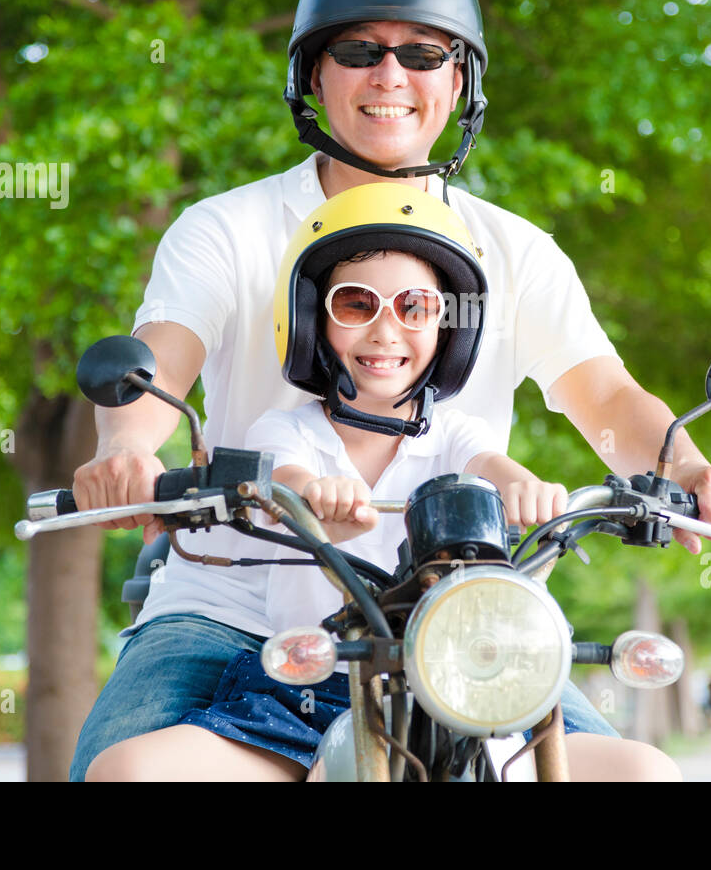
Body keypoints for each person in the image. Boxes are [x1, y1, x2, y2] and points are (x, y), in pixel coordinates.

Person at [71, 0, 711, 782]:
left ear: (460, 80)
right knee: (125, 774)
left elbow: (607, 397)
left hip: (463, 621)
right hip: (235, 607)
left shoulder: (517, 251)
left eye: (423, 53)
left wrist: (688, 469)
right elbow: (159, 362)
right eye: (358, 50)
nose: (390, 75)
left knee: (643, 774)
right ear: (313, 78)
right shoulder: (228, 228)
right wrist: (126, 451)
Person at [91, 183, 600, 779]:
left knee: (643, 769)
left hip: (459, 680)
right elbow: (279, 473)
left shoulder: (455, 433)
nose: (386, 331)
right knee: (127, 769)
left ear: (450, 329)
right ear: (311, 323)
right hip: (303, 686)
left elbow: (488, 463)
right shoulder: (284, 428)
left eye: (415, 309)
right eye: (355, 305)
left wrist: (523, 486)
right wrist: (307, 492)